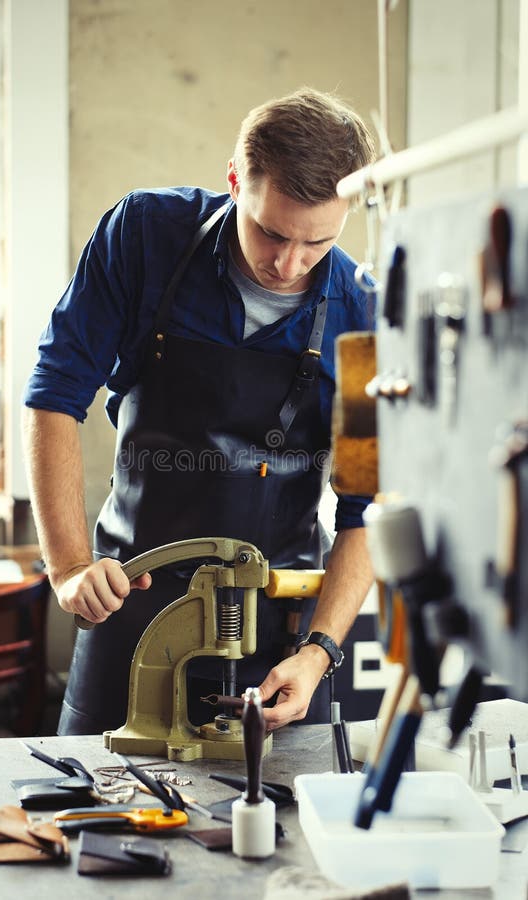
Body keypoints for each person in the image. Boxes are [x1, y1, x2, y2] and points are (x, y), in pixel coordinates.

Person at [22, 86, 376, 736]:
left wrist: (318, 653)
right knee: (94, 815)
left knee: (278, 828)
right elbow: (54, 393)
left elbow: (362, 512)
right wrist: (70, 566)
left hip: (279, 631)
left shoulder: (361, 315)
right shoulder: (144, 236)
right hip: (130, 604)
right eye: (271, 232)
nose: (289, 264)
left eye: (318, 243)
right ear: (236, 181)